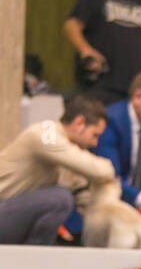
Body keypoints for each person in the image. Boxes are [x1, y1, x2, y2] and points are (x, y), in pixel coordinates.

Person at [0, 95, 115, 245]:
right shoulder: (45, 134)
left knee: (65, 201)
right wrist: (108, 169)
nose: (95, 143)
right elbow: (103, 171)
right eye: (95, 135)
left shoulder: (64, 156)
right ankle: (37, 259)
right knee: (60, 199)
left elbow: (87, 203)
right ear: (79, 122)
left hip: (10, 213)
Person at [89, 71, 141, 229]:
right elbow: (110, 178)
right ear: (137, 97)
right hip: (100, 204)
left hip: (128, 206)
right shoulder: (111, 121)